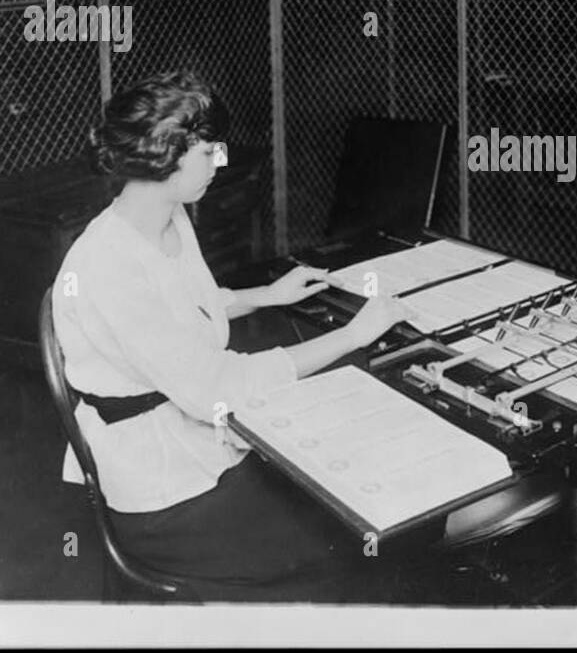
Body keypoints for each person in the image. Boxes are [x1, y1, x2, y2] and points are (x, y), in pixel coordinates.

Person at [53, 71, 410, 591]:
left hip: (194, 444)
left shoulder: (167, 217)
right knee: (356, 535)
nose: (220, 162)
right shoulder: (107, 265)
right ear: (162, 153)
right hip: (161, 496)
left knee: (353, 485)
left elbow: (181, 313)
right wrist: (353, 335)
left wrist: (268, 296)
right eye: (208, 152)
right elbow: (217, 389)